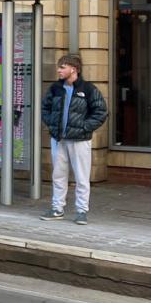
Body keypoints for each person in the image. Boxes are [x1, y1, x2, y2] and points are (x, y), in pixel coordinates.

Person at [40, 53, 107, 225]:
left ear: (73, 69)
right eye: (59, 67)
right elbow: (45, 108)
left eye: (62, 67)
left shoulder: (88, 89)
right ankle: (57, 209)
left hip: (79, 140)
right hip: (59, 139)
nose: (59, 70)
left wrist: (84, 127)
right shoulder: (55, 88)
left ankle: (81, 211)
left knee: (81, 177)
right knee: (58, 175)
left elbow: (101, 112)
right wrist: (52, 124)